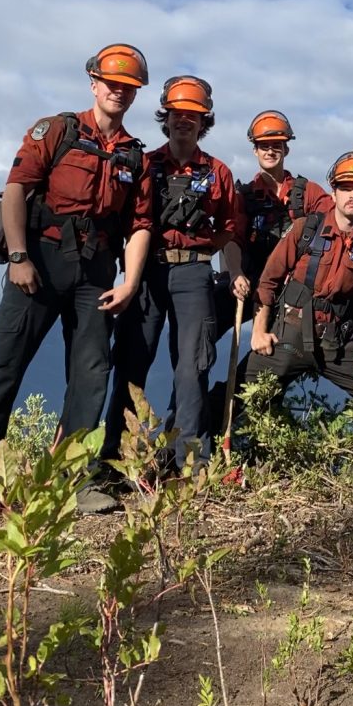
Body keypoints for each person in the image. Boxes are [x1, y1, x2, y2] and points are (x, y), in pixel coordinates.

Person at [0, 44, 152, 514]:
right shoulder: (56, 130)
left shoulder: (137, 157)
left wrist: (130, 281)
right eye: (111, 82)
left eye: (128, 86)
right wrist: (18, 257)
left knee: (91, 374)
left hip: (97, 272)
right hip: (39, 262)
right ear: (93, 82)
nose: (119, 91)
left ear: (134, 95)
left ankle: (72, 481)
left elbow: (139, 225)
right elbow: (16, 189)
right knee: (4, 367)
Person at [103, 76, 236, 472]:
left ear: (203, 121)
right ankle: (115, 460)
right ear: (167, 116)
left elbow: (231, 226)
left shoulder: (217, 172)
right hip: (146, 273)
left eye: (193, 115)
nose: (184, 120)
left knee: (193, 368)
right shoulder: (146, 163)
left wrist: (201, 252)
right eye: (178, 113)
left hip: (194, 274)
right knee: (131, 363)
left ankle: (191, 467)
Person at [234, 148, 353, 407]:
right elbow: (268, 281)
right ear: (334, 192)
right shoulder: (306, 228)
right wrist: (259, 331)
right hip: (288, 336)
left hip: (337, 344)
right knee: (233, 395)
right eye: (346, 188)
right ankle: (181, 447)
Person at [214, 109, 332, 339]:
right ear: (255, 150)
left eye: (276, 145)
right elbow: (232, 239)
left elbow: (334, 225)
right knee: (208, 317)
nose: (270, 151)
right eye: (264, 145)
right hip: (252, 281)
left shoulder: (308, 192)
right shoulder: (244, 196)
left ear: (286, 148)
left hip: (293, 286)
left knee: (279, 348)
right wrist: (236, 274)